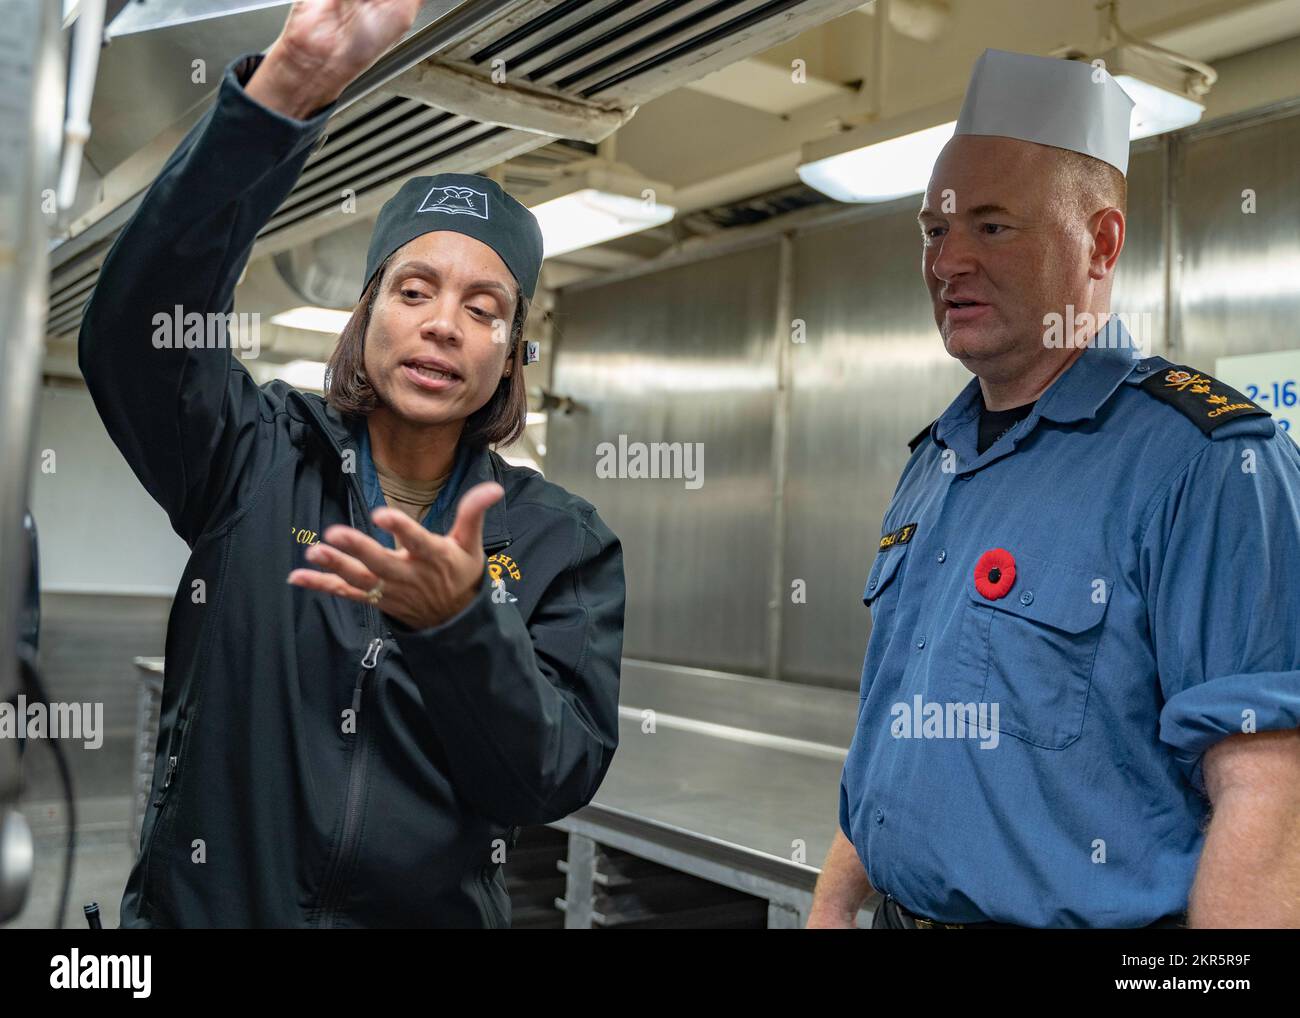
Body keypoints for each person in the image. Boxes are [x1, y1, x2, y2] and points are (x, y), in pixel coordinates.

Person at [78, 0, 625, 928]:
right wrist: (280, 97)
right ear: (365, 316)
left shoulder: (559, 542)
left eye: (485, 309)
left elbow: (550, 777)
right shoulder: (253, 456)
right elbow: (138, 332)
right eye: (414, 291)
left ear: (511, 354)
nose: (445, 323)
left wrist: (460, 628)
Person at [808, 49, 1300, 929]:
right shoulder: (938, 458)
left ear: (1101, 243)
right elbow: (897, 724)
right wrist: (833, 906)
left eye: (993, 227)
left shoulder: (1209, 463)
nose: (948, 260)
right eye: (934, 229)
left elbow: (1271, 791)